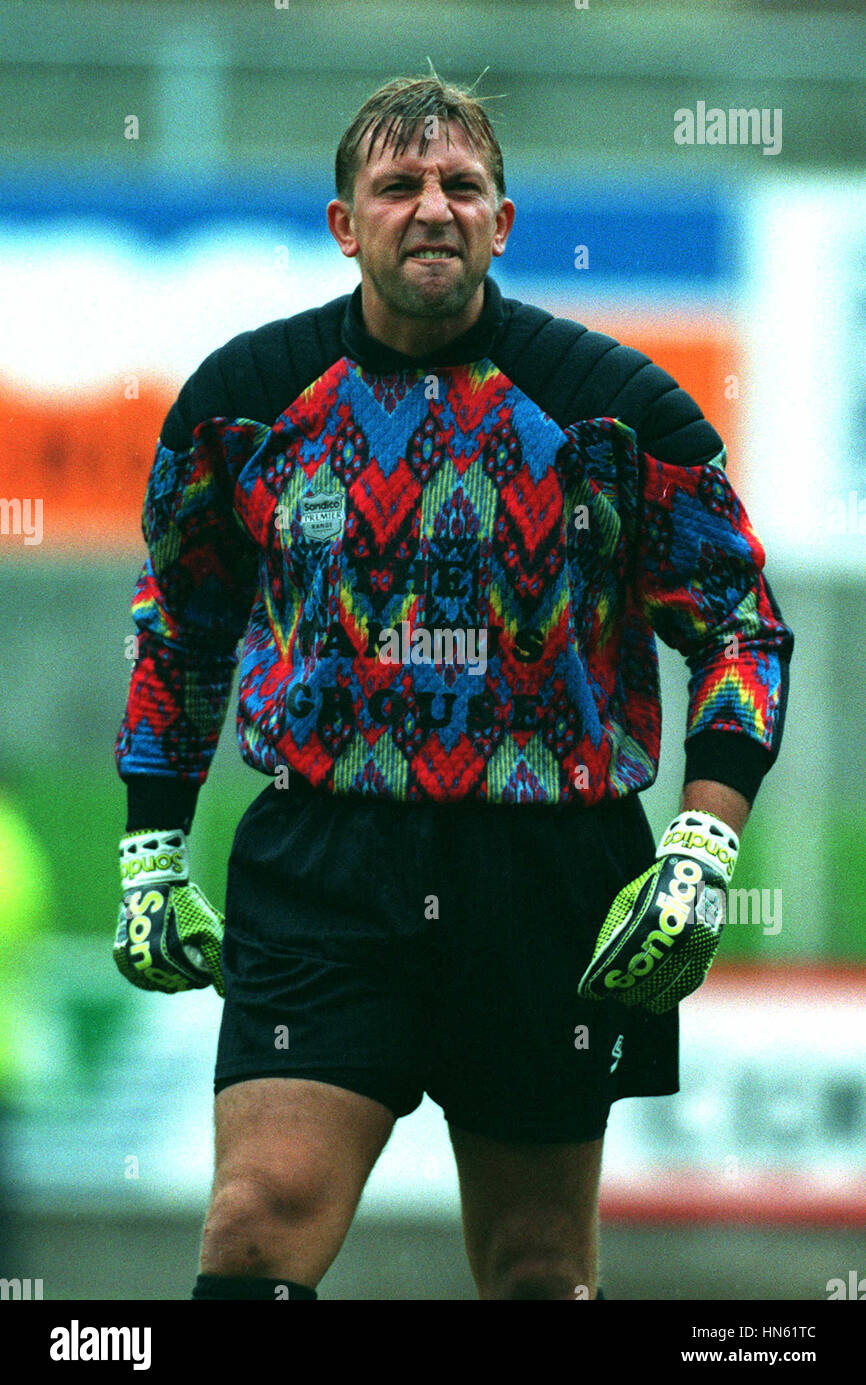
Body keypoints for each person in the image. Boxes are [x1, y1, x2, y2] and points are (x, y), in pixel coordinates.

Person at [113, 73, 793, 1301]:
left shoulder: (617, 412)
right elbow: (180, 625)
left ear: (502, 221)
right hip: (323, 867)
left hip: (547, 878)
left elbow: (741, 625)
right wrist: (149, 846)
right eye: (397, 186)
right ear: (342, 221)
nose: (430, 207)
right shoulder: (240, 405)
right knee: (255, 1225)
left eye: (458, 186)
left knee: (536, 1269)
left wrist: (700, 846)